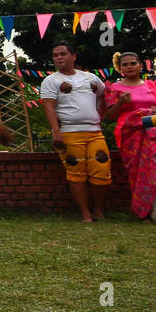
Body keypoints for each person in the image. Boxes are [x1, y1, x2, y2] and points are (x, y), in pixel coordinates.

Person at [39, 41, 110, 222]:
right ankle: (85, 212)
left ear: (73, 56)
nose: (59, 58)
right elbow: (49, 108)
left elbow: (103, 94)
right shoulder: (50, 81)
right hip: (70, 132)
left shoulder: (91, 78)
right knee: (76, 172)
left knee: (101, 169)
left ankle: (98, 210)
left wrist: (99, 114)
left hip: (94, 131)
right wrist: (56, 131)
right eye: (55, 55)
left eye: (63, 54)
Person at [102, 51, 156, 221]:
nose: (129, 67)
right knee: (138, 171)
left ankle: (155, 210)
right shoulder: (114, 88)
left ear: (140, 65)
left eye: (133, 63)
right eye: (125, 64)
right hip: (130, 135)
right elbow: (109, 115)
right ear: (120, 68)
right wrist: (120, 103)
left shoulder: (152, 85)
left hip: (153, 132)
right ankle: (144, 210)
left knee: (154, 168)